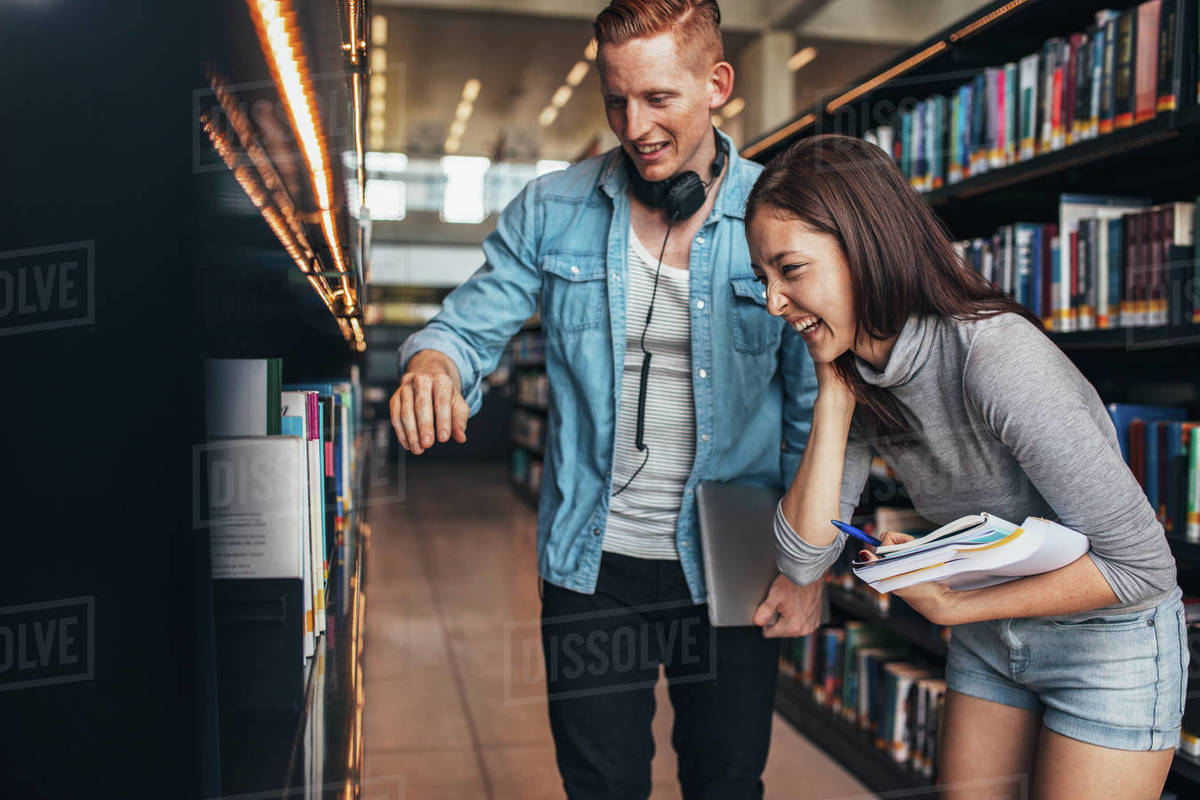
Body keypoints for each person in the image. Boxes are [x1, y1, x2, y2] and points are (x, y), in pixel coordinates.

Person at [389, 1, 822, 796]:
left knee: (727, 783)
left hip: (733, 561)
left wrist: (808, 565)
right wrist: (435, 367)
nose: (636, 125)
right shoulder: (554, 208)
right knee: (601, 786)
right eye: (616, 100)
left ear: (717, 82)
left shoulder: (781, 216)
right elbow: (469, 323)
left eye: (660, 99)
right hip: (594, 564)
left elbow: (813, 410)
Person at [747, 134, 1187, 799]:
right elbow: (806, 558)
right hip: (991, 632)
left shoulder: (994, 358)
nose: (774, 301)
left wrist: (951, 602)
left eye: (791, 270)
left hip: (1105, 645)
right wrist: (833, 392)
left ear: (865, 246)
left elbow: (1143, 568)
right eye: (764, 278)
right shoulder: (863, 373)